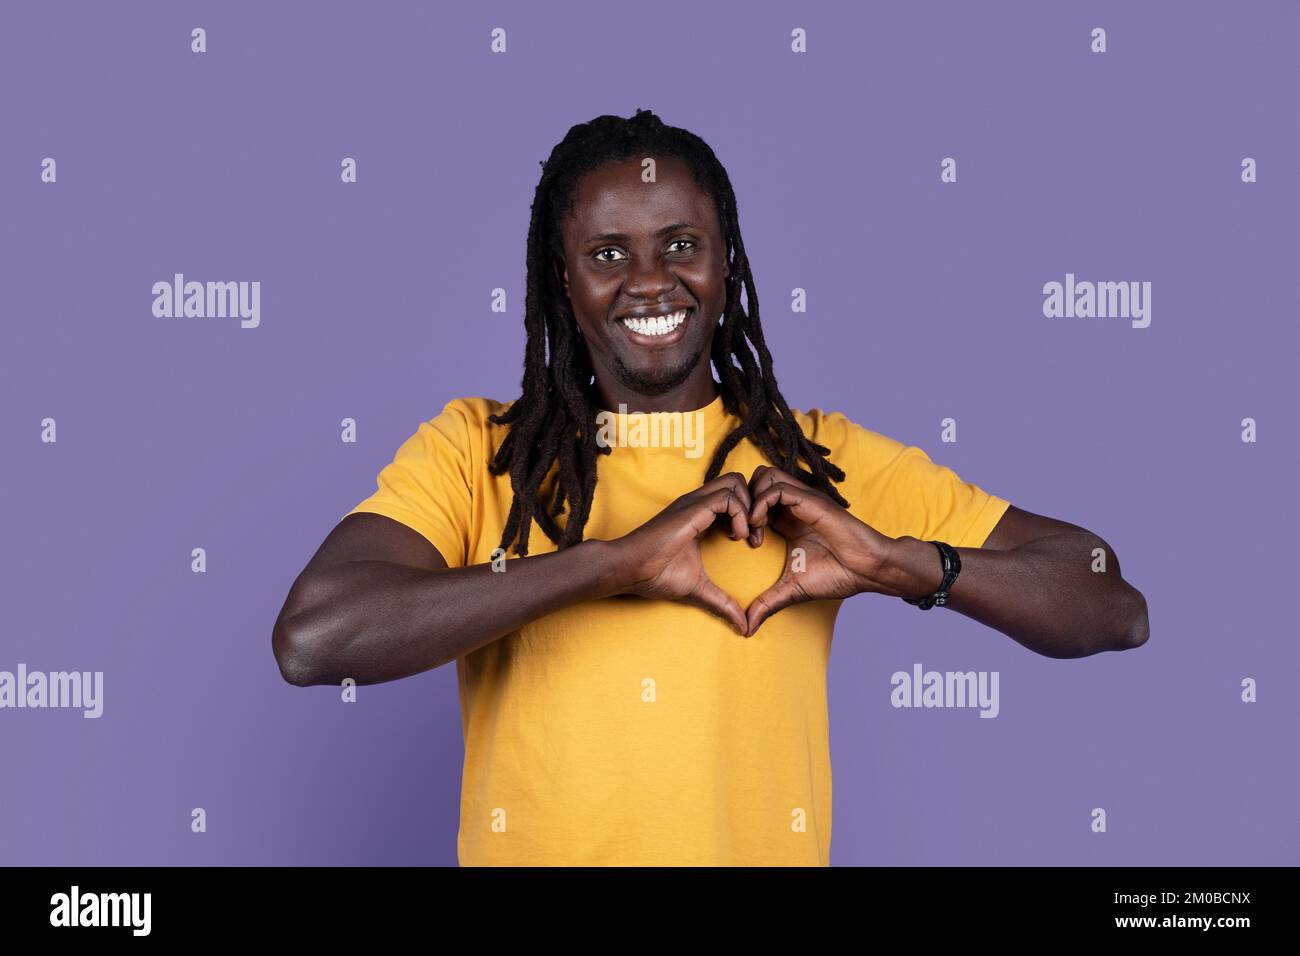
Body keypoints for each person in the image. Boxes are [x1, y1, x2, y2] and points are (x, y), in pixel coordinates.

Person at [271, 109, 1149, 867]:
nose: (650, 282)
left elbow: (1110, 598)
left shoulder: (819, 462)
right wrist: (606, 565)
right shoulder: (478, 452)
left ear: (726, 261)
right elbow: (313, 639)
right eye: (608, 252)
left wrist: (905, 565)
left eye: (681, 245)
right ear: (562, 280)